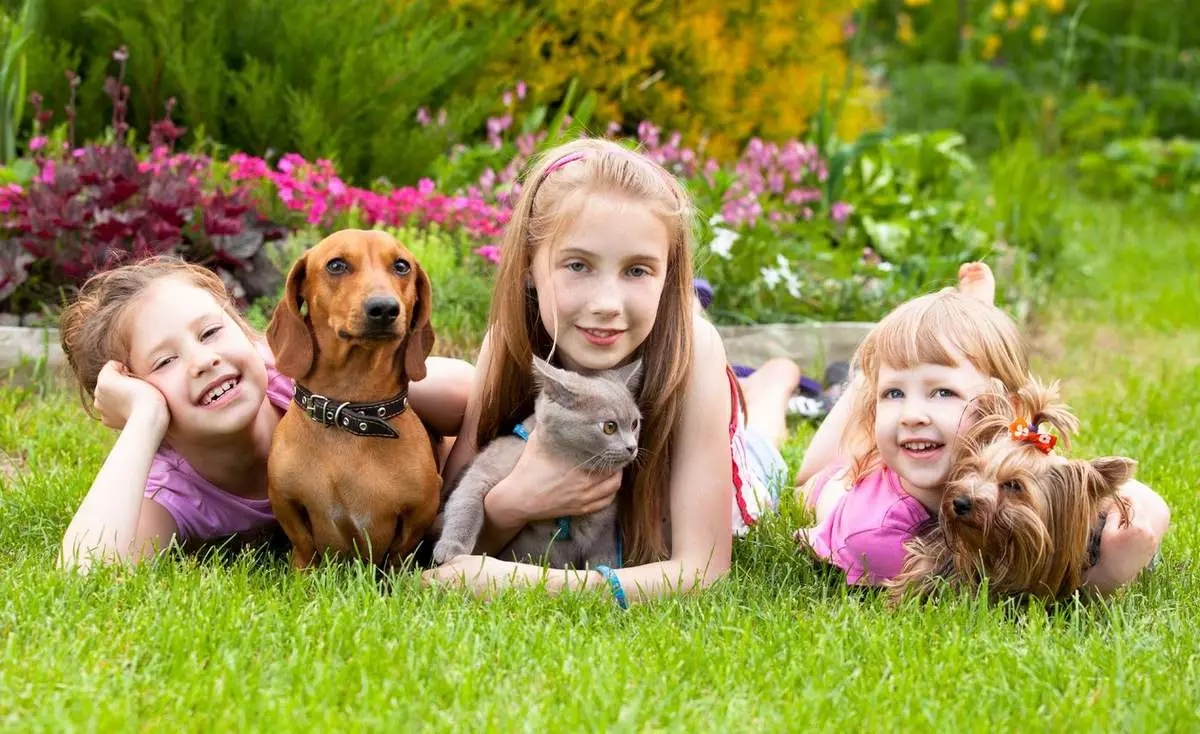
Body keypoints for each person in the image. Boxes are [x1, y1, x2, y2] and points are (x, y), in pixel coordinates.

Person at [423, 137, 798, 605]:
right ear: (528, 268)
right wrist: (512, 503)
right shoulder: (509, 339)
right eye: (578, 265)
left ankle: (773, 382)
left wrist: (535, 587)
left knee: (764, 443)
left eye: (637, 271)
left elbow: (705, 572)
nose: (606, 305)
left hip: (731, 457)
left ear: (670, 276)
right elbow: (443, 532)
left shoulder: (695, 349)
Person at [57, 256, 473, 571]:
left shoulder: (293, 384)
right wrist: (143, 420)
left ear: (246, 333)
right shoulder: (176, 490)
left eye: (211, 332)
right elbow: (86, 569)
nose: (204, 360)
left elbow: (467, 392)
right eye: (164, 362)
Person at [795, 263, 1169, 594]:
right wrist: (1109, 574)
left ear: (1001, 410)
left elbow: (1150, 504)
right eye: (892, 393)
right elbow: (1005, 595)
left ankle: (957, 337)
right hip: (841, 481)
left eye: (943, 392)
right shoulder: (878, 538)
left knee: (910, 405)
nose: (912, 413)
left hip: (922, 445)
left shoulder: (1004, 448)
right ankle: (855, 379)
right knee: (811, 473)